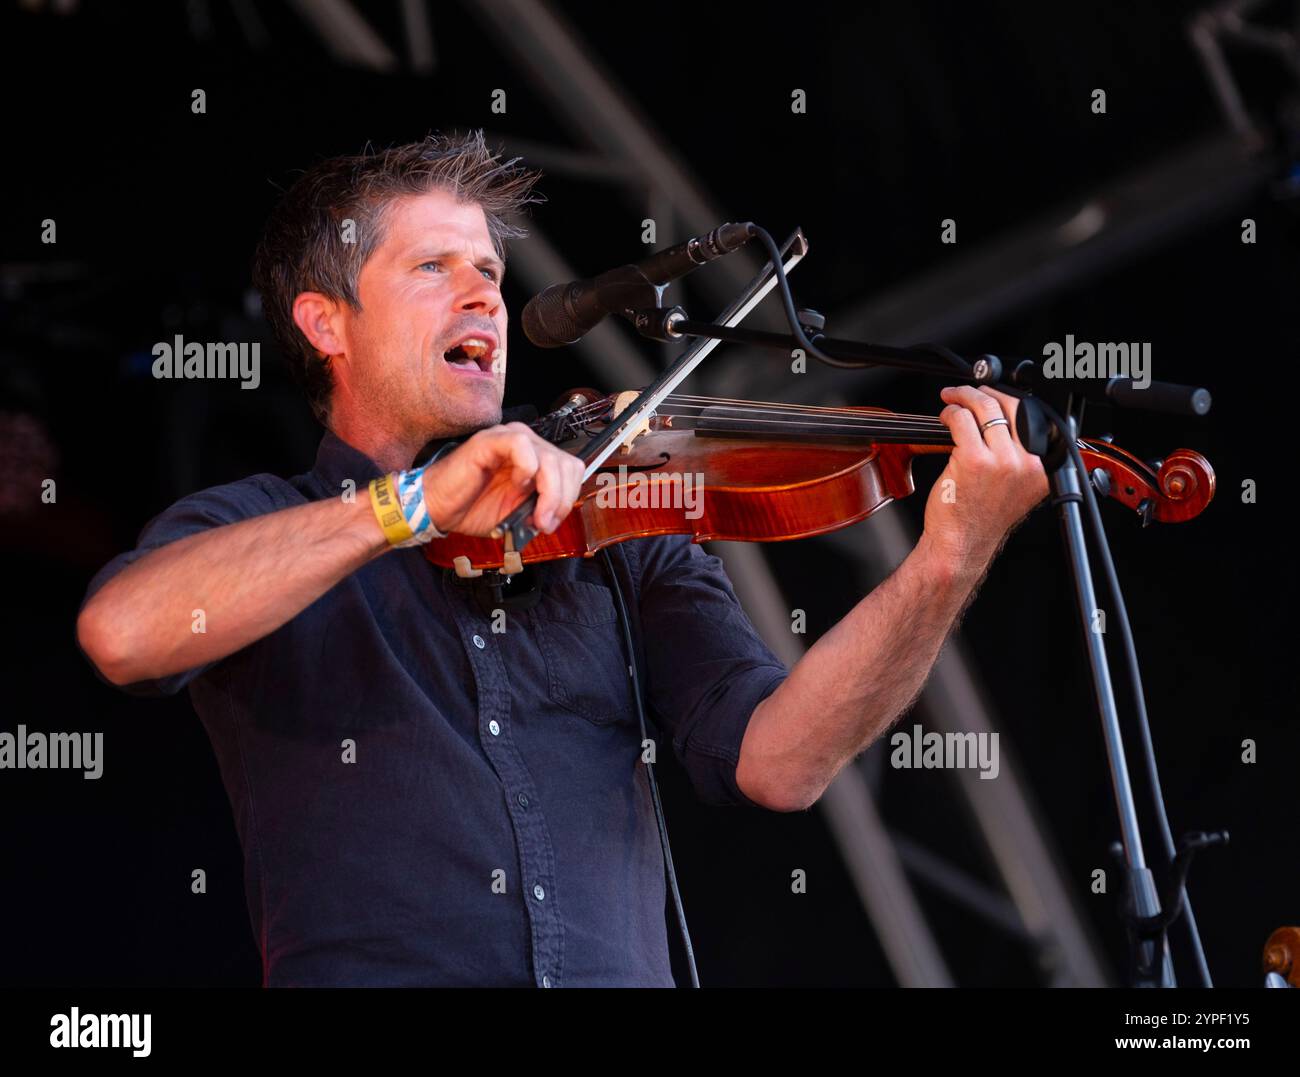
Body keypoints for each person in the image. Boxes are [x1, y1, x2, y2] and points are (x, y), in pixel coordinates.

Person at [76, 131, 1048, 987]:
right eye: (433, 268)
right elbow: (122, 633)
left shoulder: (610, 518)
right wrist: (407, 508)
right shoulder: (263, 523)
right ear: (326, 323)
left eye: (491, 274)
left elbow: (781, 763)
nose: (483, 298)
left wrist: (950, 558)